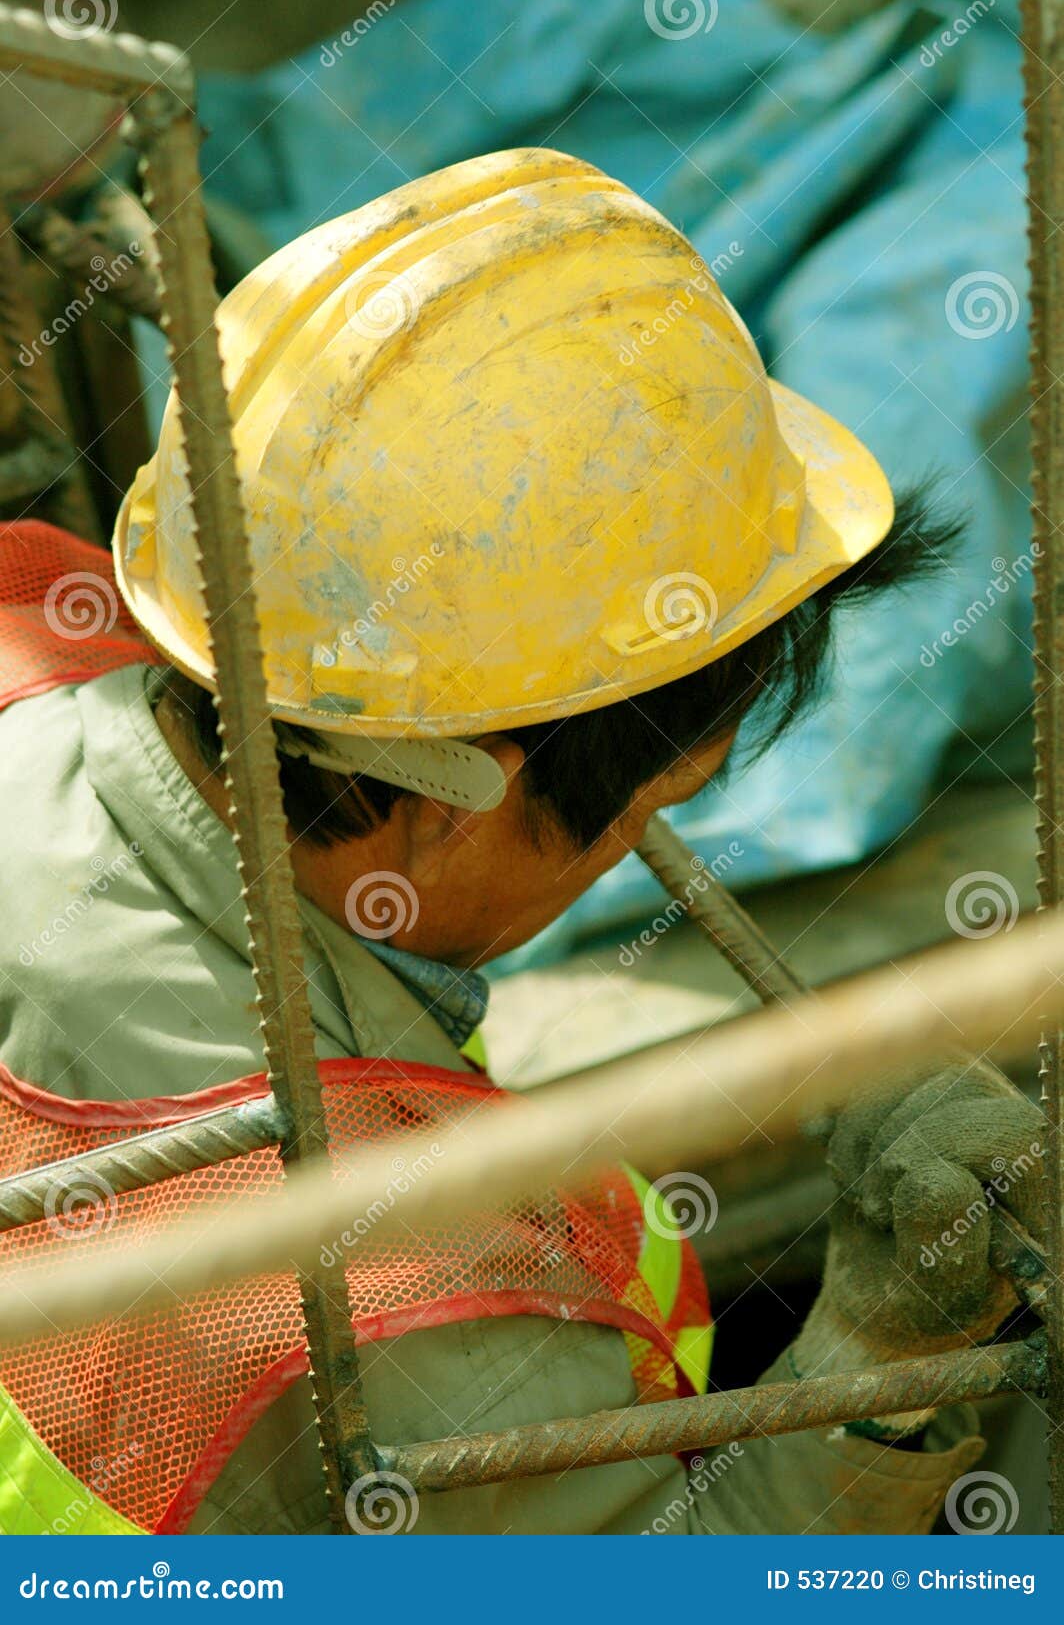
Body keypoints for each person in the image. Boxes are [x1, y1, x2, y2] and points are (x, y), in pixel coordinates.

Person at [0, 148, 1042, 1535]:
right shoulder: (419, 1322)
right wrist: (880, 1356)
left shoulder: (39, 662)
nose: (643, 845)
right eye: (652, 805)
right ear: (453, 791)